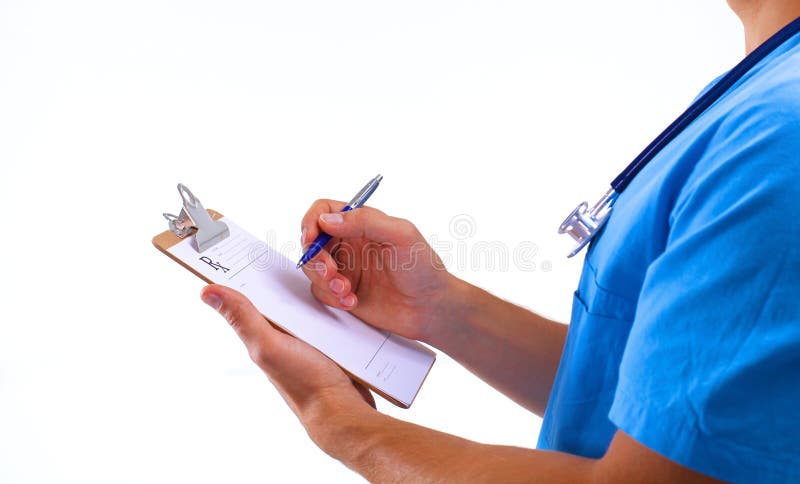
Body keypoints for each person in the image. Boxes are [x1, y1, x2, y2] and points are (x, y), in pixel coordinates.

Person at [199, 1, 800, 481]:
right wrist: (440, 308)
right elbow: (666, 399)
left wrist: (340, 423)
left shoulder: (777, 138)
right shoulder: (753, 94)